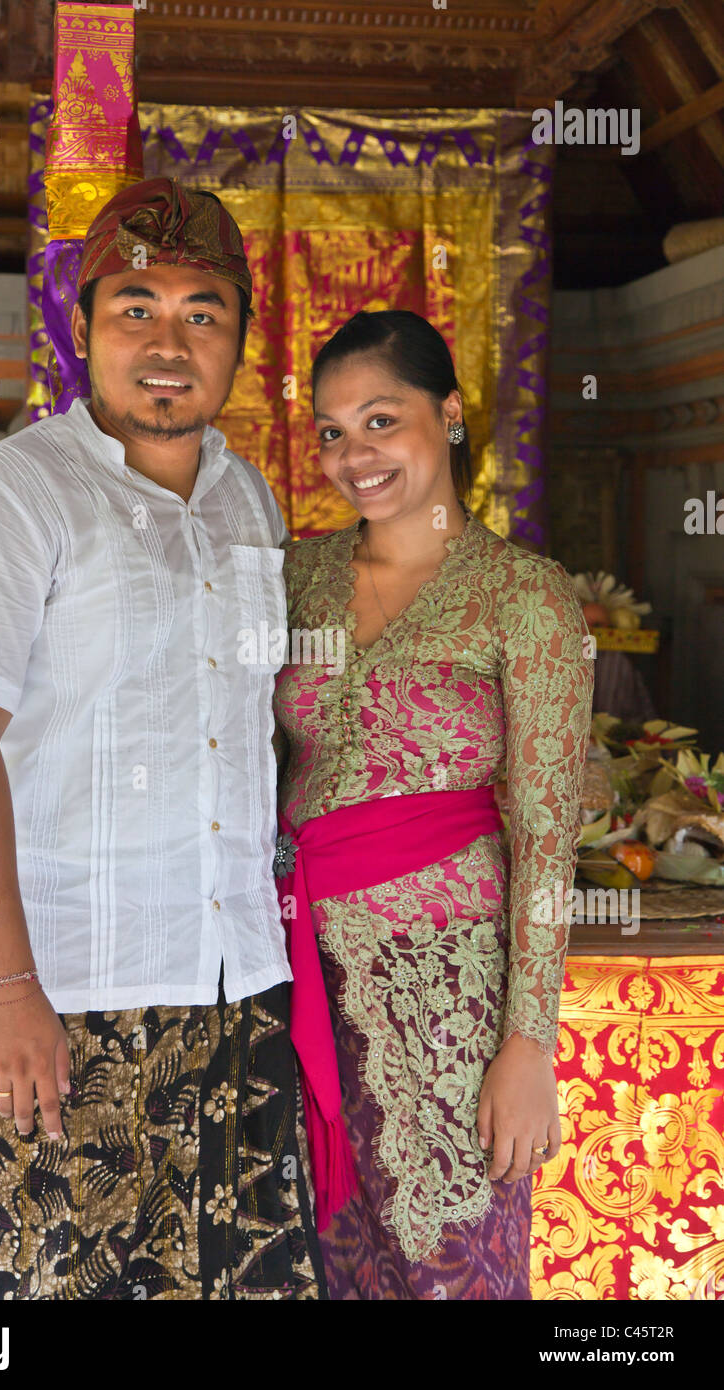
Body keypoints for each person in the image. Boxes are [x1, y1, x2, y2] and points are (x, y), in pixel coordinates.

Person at [0, 177, 327, 1300]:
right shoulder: (11, 496)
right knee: (37, 1285)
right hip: (57, 990)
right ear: (83, 326)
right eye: (135, 306)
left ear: (239, 339)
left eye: (203, 312)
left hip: (232, 985)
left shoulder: (249, 501)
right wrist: (4, 984)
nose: (167, 341)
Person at [272, 309, 594, 1300]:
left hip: (446, 996)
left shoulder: (521, 594)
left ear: (447, 415)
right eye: (330, 431)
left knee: (445, 1270)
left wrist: (526, 1043)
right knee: (313, 1264)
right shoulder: (298, 574)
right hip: (294, 976)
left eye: (380, 419)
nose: (352, 455)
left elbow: (547, 834)